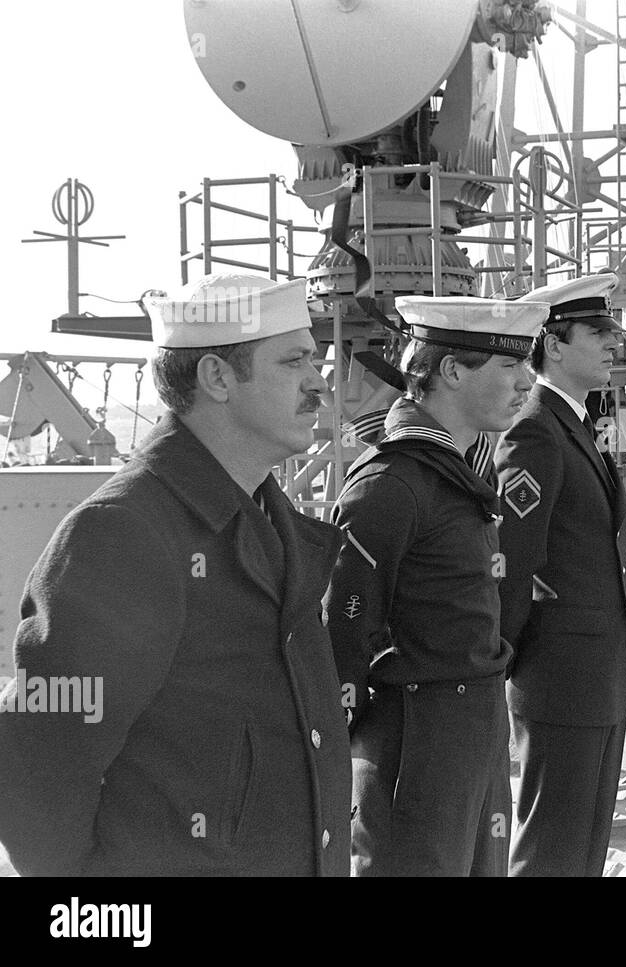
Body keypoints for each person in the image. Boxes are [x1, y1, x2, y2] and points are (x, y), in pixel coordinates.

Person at [0, 273, 351, 875]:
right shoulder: (125, 534)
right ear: (217, 377)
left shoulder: (269, 521)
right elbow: (41, 771)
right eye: (294, 361)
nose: (318, 382)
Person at [324, 297, 549, 876]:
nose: (527, 381)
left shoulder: (454, 470)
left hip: (471, 730)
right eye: (510, 365)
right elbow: (344, 632)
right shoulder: (391, 485)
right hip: (417, 747)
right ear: (451, 370)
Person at [495, 272, 626, 877]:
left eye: (613, 330)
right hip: (560, 675)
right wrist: (506, 660)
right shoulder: (536, 429)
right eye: (597, 331)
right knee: (553, 845)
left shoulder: (574, 422)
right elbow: (512, 562)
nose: (613, 342)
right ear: (553, 344)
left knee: (585, 842)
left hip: (595, 672)